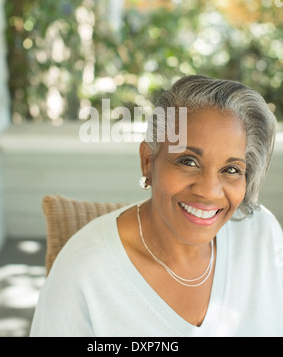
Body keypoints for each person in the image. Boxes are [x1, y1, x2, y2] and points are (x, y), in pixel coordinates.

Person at [30, 75, 283, 337]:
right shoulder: (83, 271)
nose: (209, 191)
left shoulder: (261, 234)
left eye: (231, 169)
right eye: (188, 161)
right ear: (148, 161)